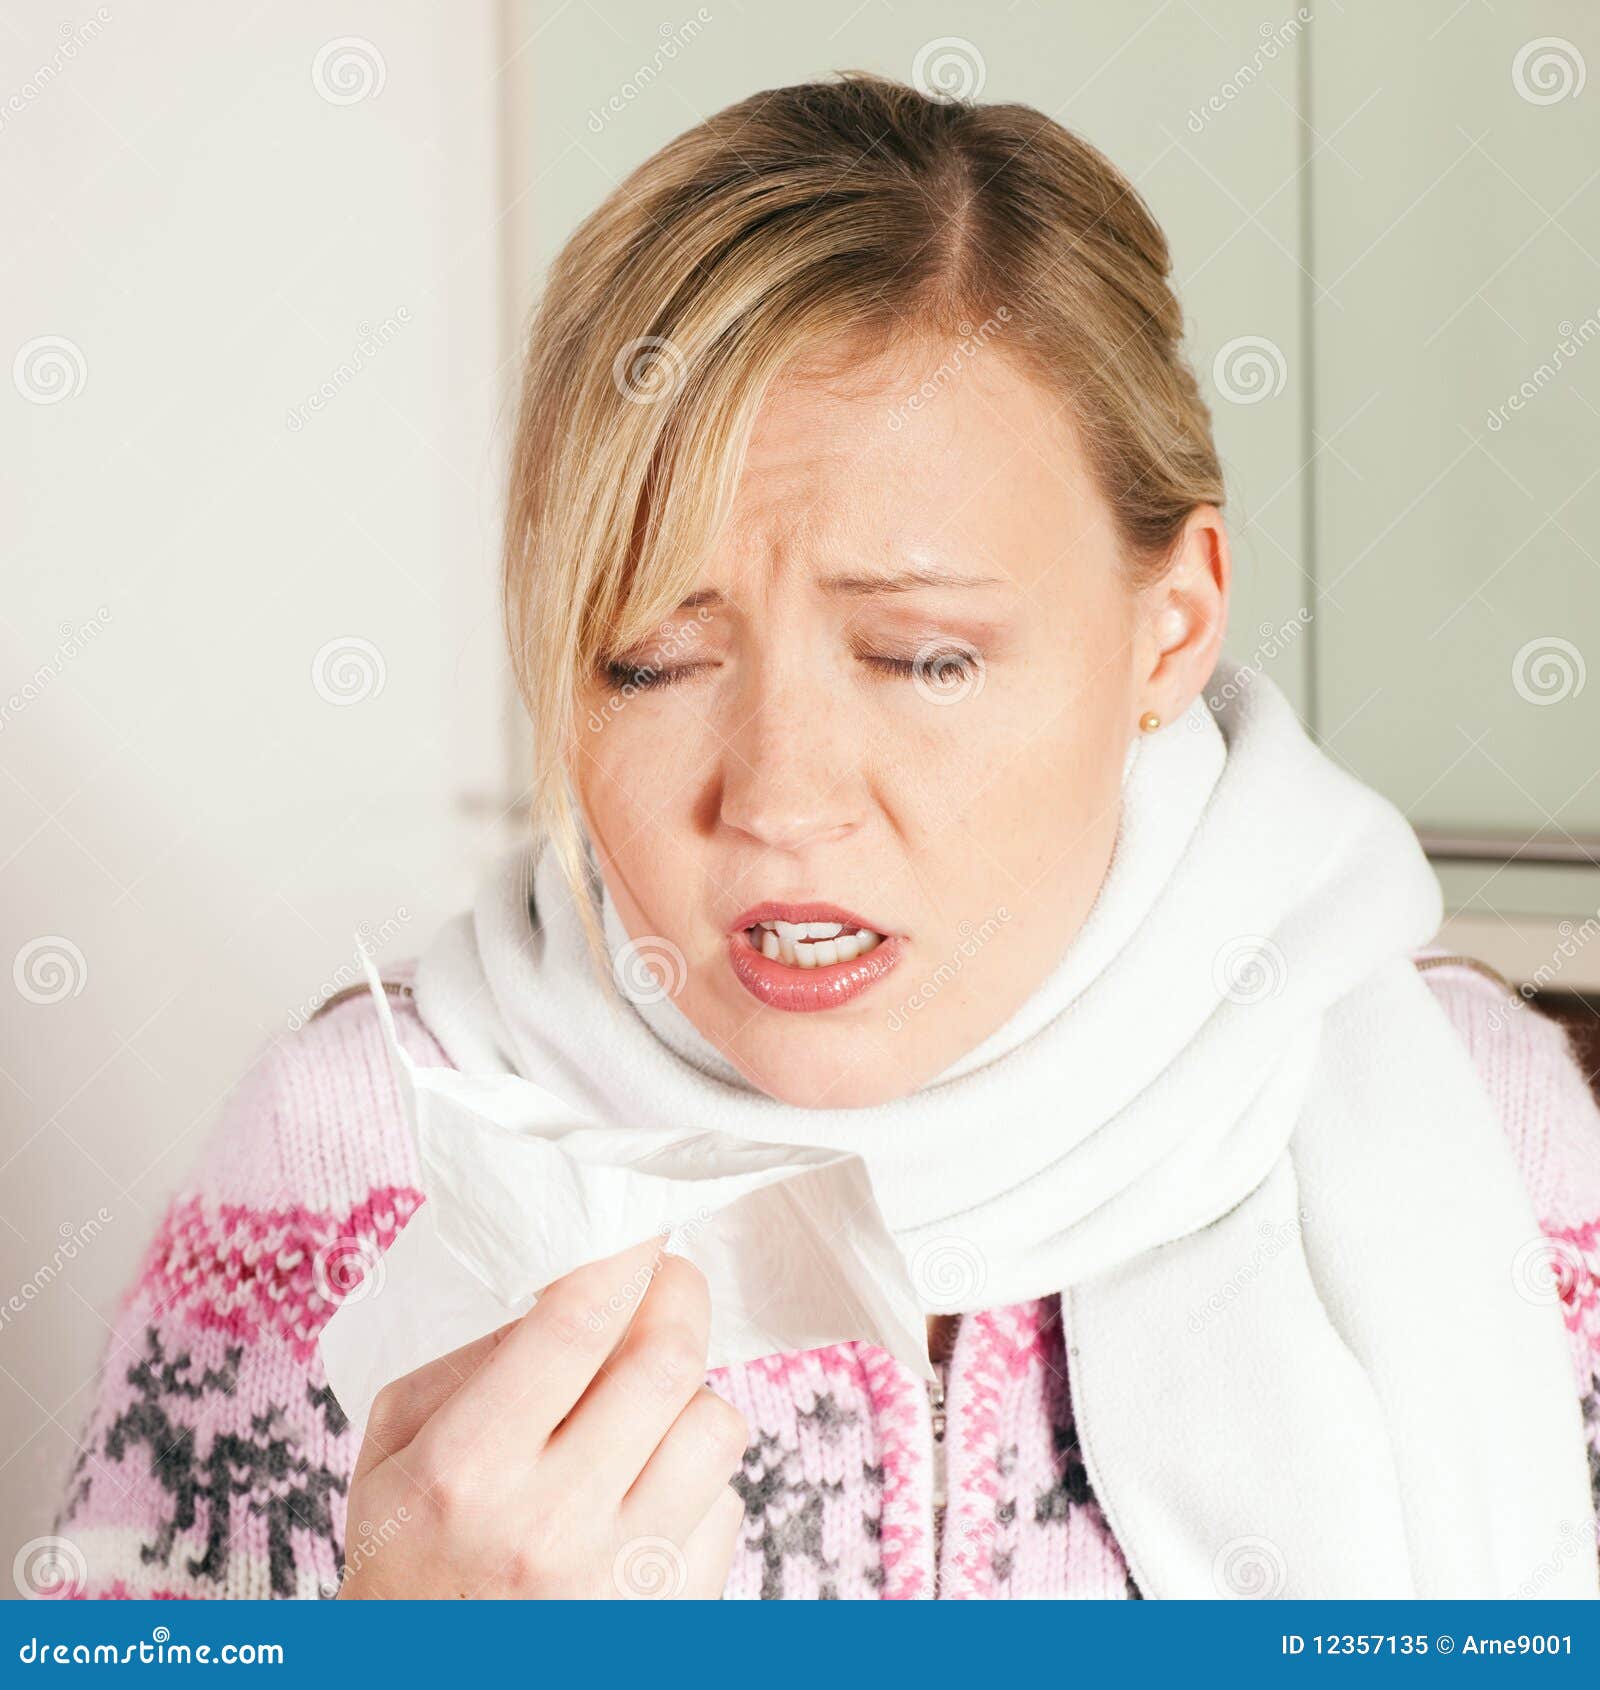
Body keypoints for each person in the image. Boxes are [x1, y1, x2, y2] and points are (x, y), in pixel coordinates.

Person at [52, 73, 1600, 1602]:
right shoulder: (355, 1155)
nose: (780, 797)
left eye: (924, 655)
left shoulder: (1498, 1141)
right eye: (651, 660)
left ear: (1172, 623)